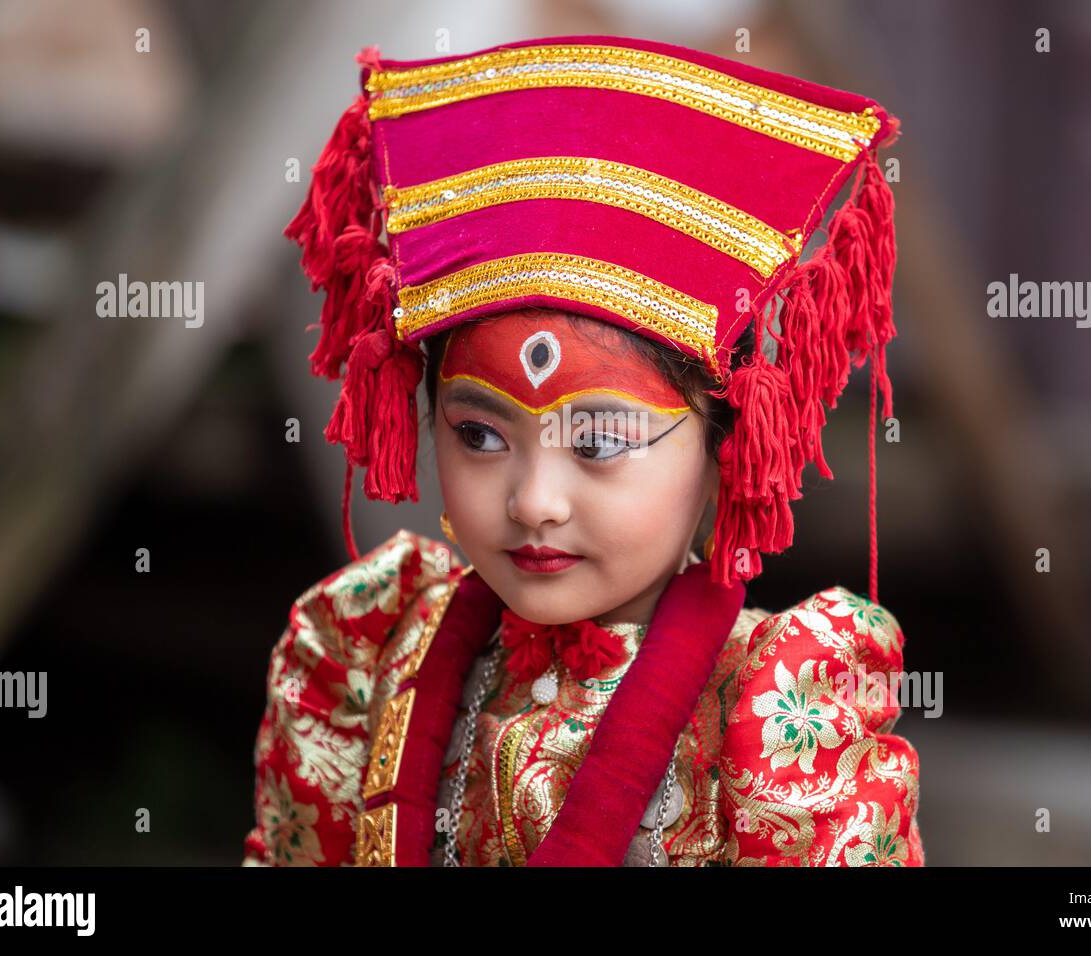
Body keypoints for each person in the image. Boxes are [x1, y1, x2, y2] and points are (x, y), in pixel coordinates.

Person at [242, 34, 922, 867]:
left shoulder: (774, 709)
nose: (534, 500)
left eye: (599, 442)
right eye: (480, 435)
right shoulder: (368, 649)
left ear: (724, 445)